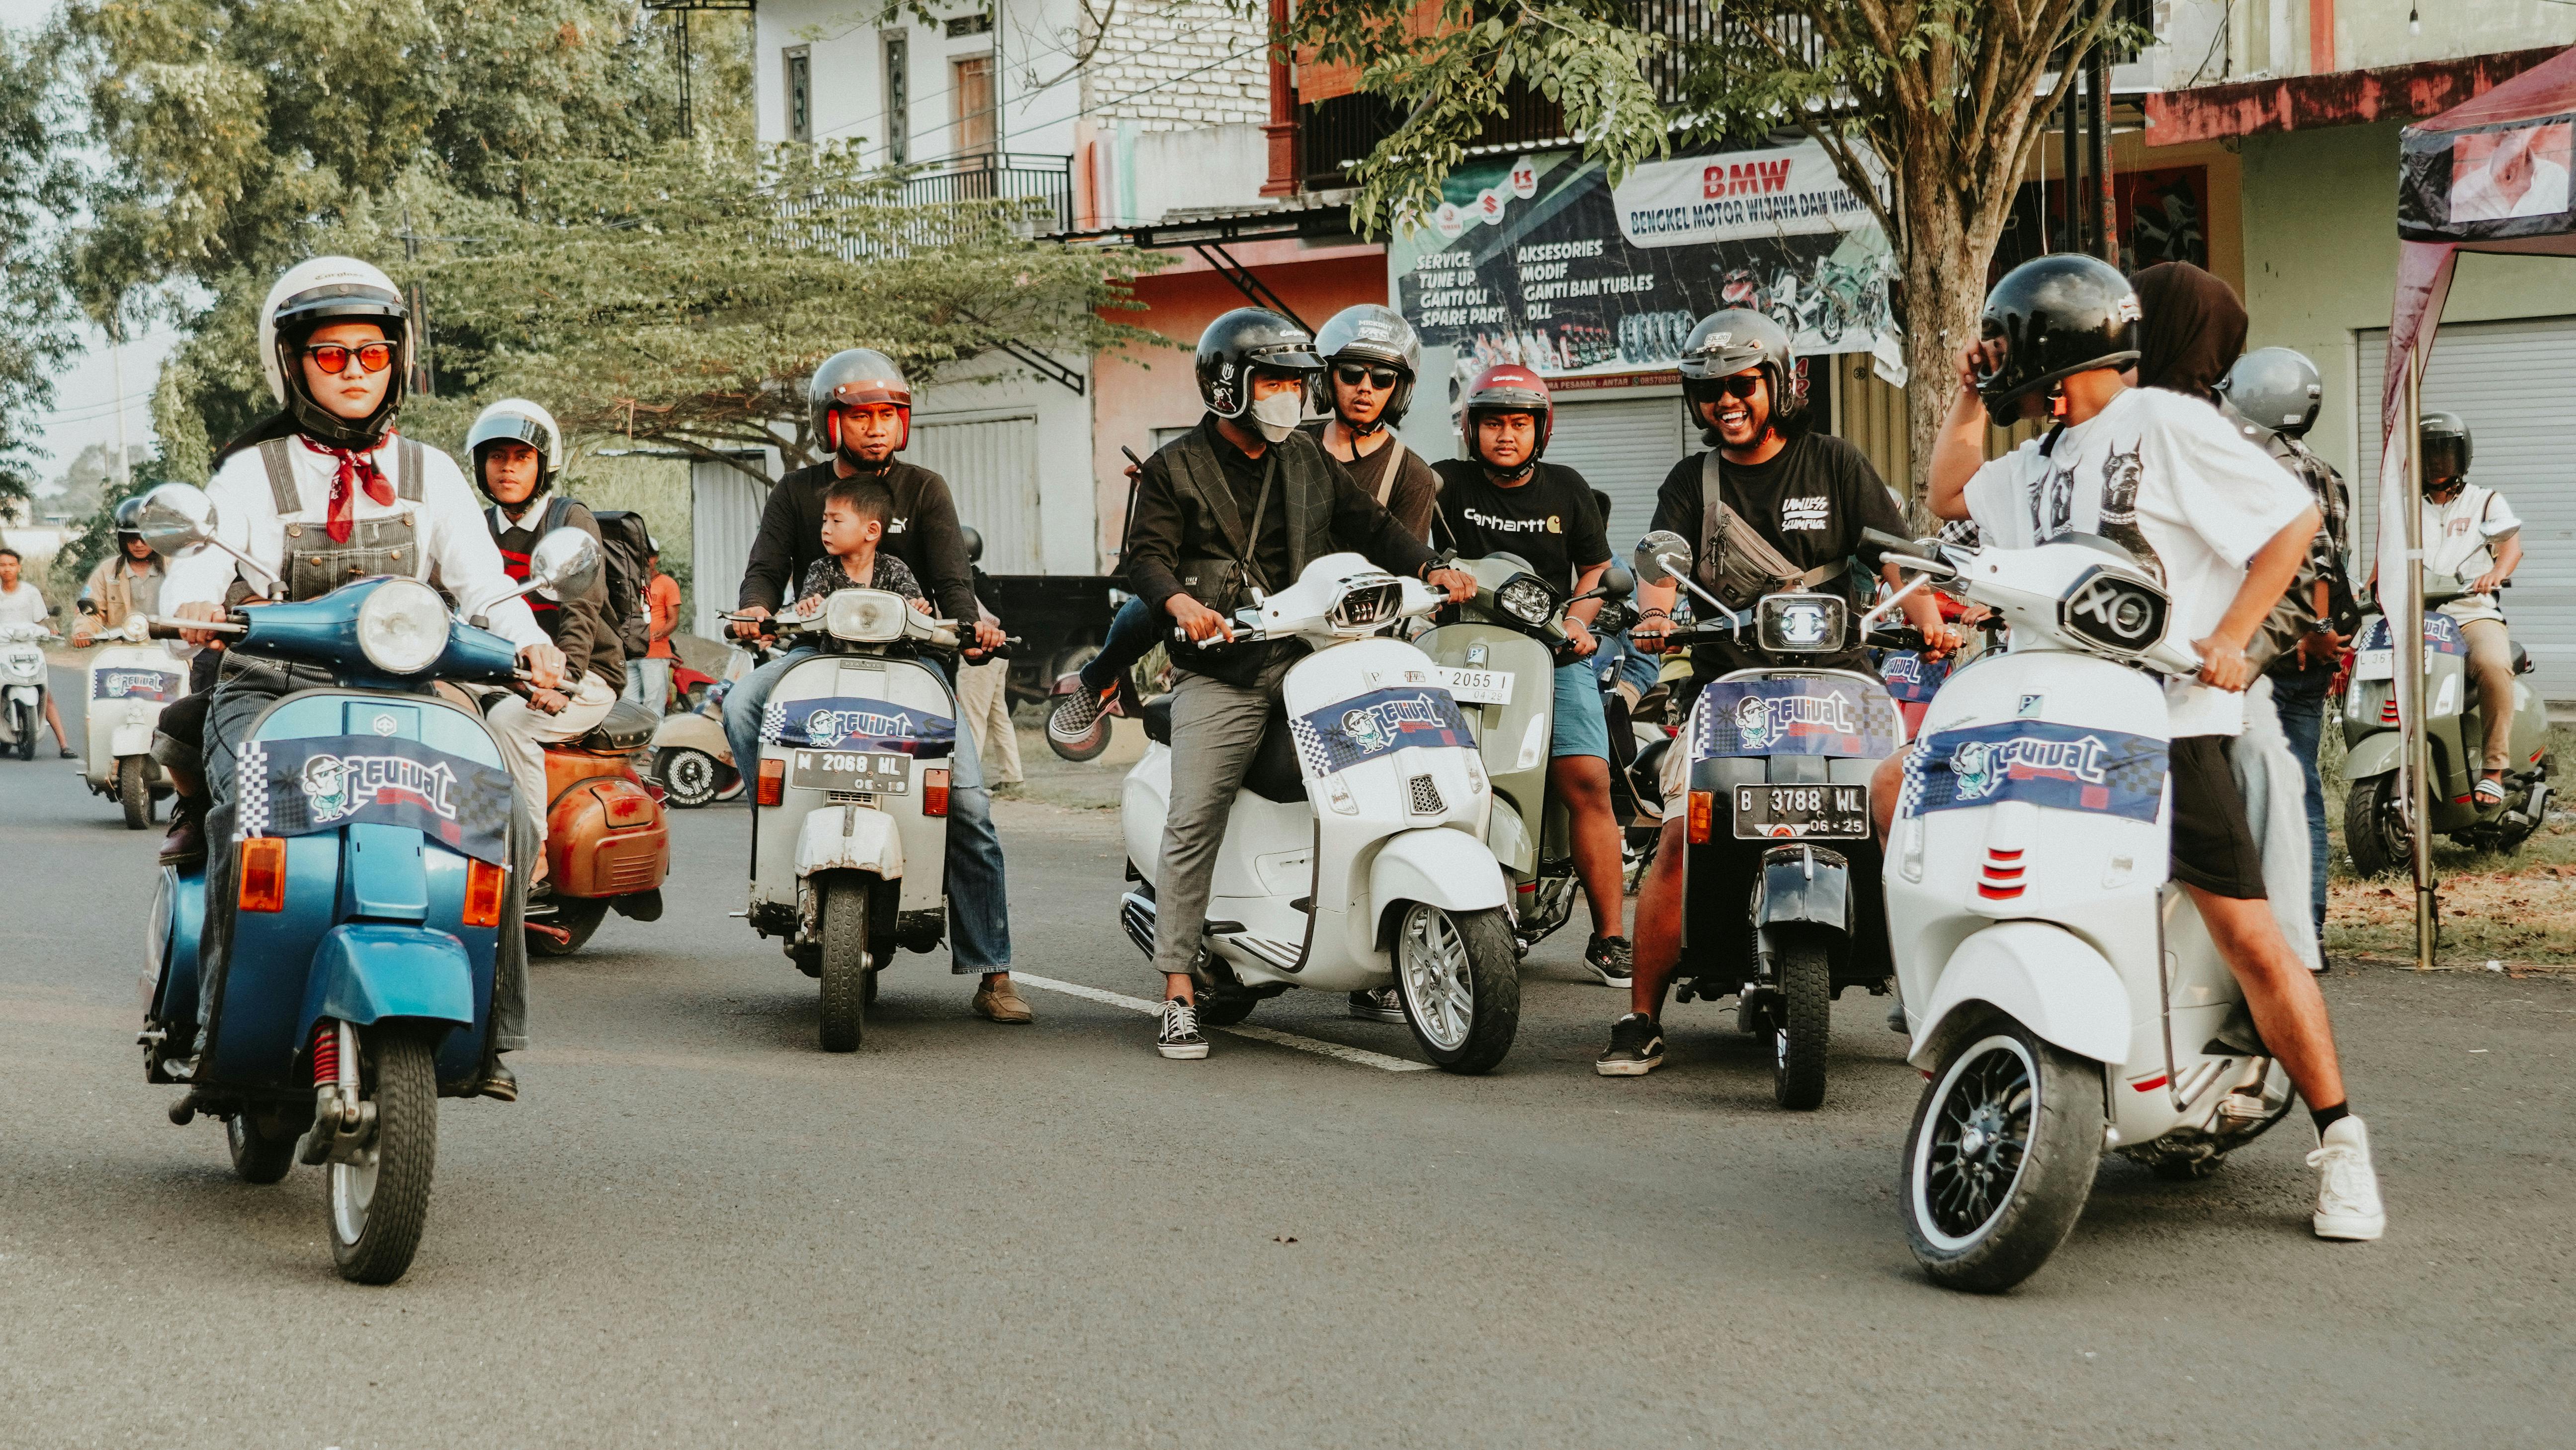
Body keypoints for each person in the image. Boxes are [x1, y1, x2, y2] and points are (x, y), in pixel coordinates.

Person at [1909, 252, 2380, 1242]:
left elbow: (2287, 524)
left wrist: (2230, 637)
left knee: (2247, 933)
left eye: (2003, 344)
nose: (1993, 362)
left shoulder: (2162, 422)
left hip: (2164, 726)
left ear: (2054, 346)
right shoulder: (2038, 455)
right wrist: (1961, 399)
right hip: (2054, 719)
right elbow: (1948, 497)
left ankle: (2341, 1144)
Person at [161, 256, 565, 1101]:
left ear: (398, 361)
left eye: (371, 353)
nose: (352, 370)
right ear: (293, 362)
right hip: (273, 686)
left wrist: (533, 645)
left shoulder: (432, 473)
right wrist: (194, 600)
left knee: (511, 820)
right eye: (331, 352)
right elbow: (201, 561)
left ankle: (493, 1029)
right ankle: (216, 1028)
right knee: (247, 815)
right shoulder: (255, 473)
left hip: (413, 688)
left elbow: (488, 586)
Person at [1598, 310, 1956, 1077]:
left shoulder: (1833, 462)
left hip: (1842, 690)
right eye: (1709, 392)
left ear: (1778, 384)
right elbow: (1663, 573)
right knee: (1673, 836)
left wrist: (1929, 623)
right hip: (1730, 693)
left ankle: (1932, 1000)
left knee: (1910, 820)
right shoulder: (1690, 482)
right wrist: (1657, 623)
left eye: (1741, 385)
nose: (1725, 402)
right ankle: (1638, 1017)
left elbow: (1895, 562)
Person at [1122, 306, 1476, 1060]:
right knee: (1195, 815)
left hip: (1318, 656)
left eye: (1295, 380)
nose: (1291, 395)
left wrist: (1429, 566)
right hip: (1228, 667)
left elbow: (1372, 527)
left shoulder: (1307, 459)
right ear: (1229, 387)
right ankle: (1179, 988)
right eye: (1274, 380)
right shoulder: (1172, 469)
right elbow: (1144, 558)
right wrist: (1180, 605)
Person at [723, 348, 1030, 1026]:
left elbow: (955, 583)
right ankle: (776, 822)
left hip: (913, 668)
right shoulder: (797, 495)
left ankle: (992, 971)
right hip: (812, 660)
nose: (876, 428)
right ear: (830, 421)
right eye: (861, 415)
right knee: (743, 701)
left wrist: (970, 624)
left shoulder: (926, 490)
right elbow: (764, 572)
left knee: (972, 811)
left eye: (889, 415)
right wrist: (754, 611)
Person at [1046, 303, 1443, 751]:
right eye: (1351, 374)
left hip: (1337, 621)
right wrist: (1177, 491)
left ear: (1400, 389)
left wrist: (1432, 567)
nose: (1365, 389)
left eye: (1382, 379)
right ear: (1329, 379)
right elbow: (1217, 500)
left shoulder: (1406, 473)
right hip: (1245, 610)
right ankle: (1100, 679)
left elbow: (1384, 534)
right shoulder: (1289, 435)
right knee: (1152, 600)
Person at [1430, 363, 1634, 988]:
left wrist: (1577, 620)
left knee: (1588, 779)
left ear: (1541, 431)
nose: (1506, 435)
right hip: (1456, 649)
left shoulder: (1566, 488)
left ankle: (1608, 937)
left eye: (1520, 423)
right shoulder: (1442, 483)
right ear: (1471, 428)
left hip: (1549, 651)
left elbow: (1596, 568)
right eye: (1493, 422)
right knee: (1430, 779)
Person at [2217, 347, 2351, 954]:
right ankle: (2308, 925)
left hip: (2279, 645)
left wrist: (2310, 626)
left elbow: (2312, 558)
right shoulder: (2324, 468)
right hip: (2311, 648)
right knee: (2301, 789)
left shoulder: (2262, 466)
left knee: (2272, 789)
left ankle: (2292, 928)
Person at [467, 398, 625, 871]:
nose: (508, 469)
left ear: (544, 464)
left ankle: (528, 857)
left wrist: (566, 678)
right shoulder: (476, 529)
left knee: (509, 724)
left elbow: (583, 607)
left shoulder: (567, 520)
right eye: (497, 457)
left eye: (522, 458)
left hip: (586, 673)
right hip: (500, 671)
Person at [2410, 411, 2523, 806]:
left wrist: (2496, 572)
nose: (2437, 460)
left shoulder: (2486, 500)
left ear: (2462, 456)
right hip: (2418, 616)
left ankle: (2493, 769)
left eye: (2446, 451)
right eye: (2428, 451)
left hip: (2470, 611)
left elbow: (2510, 546)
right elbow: (2383, 563)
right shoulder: (2407, 507)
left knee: (2493, 665)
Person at [953, 526, 1022, 788]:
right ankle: (1013, 777)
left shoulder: (962, 580)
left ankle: (968, 782)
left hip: (981, 652)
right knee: (998, 715)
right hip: (1000, 650)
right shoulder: (981, 577)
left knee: (973, 717)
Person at [0, 546, 76, 756]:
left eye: (11, 565)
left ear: (19, 567)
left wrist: (51, 629)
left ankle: (64, 745)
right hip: (2, 650)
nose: (7, 569)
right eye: (3, 565)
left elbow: (42, 621)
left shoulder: (31, 593)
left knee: (45, 695)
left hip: (28, 650)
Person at [72, 499, 167, 645]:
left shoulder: (174, 568)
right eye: (132, 539)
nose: (139, 544)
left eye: (144, 538)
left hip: (167, 652)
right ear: (122, 539)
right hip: (121, 652)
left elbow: (188, 609)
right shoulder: (107, 571)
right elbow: (91, 611)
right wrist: (84, 630)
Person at [624, 539, 683, 713]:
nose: (645, 561)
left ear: (655, 558)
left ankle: (656, 740)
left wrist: (663, 631)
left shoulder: (668, 584)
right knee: (629, 706)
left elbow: (673, 620)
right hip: (630, 653)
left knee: (654, 705)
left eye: (649, 557)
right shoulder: (629, 583)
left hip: (655, 654)